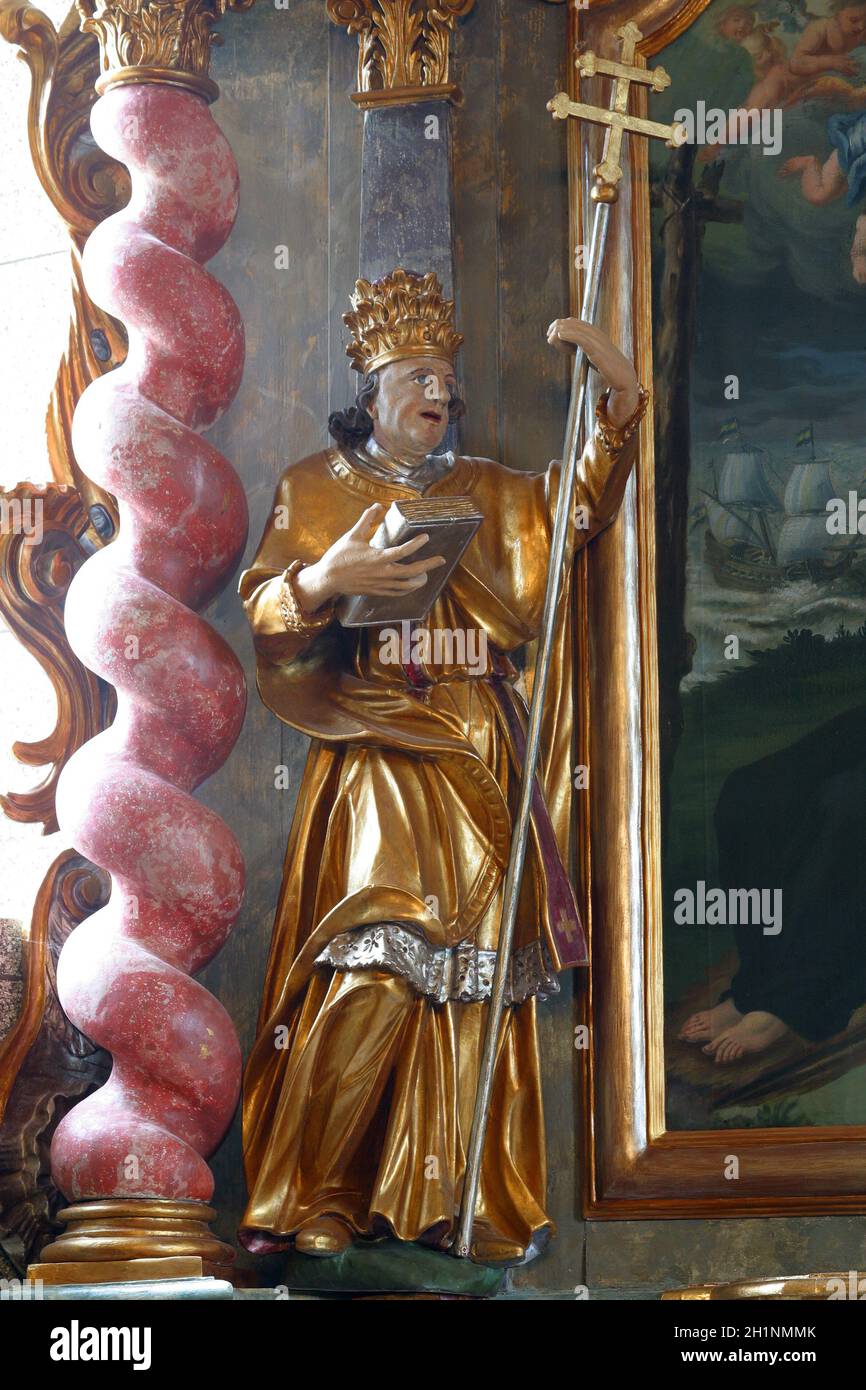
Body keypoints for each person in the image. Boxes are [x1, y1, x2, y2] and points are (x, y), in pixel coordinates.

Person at [238, 268, 647, 1263]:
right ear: (374, 391)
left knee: (465, 980)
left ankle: (436, 1203)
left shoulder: (486, 492)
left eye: (448, 380)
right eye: (420, 375)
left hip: (477, 747)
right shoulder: (315, 485)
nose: (442, 393)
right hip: (379, 746)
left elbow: (577, 510)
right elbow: (266, 612)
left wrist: (619, 403)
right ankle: (310, 1196)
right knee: (372, 962)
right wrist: (324, 576)